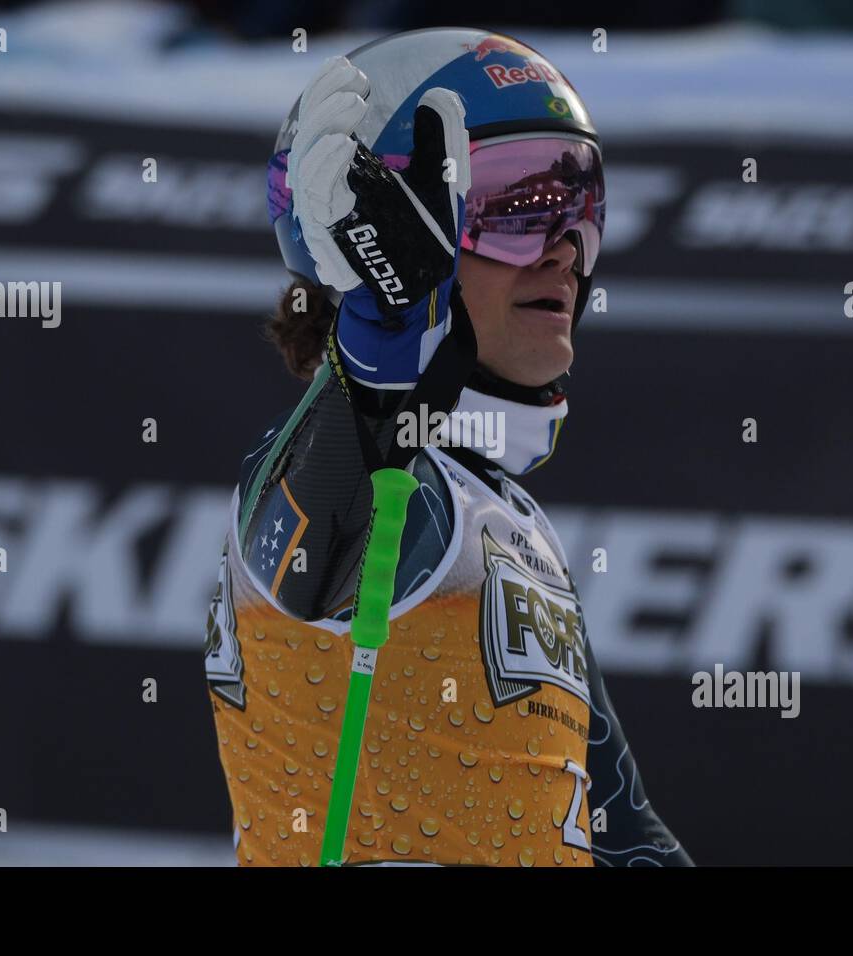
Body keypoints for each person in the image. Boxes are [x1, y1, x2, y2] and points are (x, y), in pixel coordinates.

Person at [204, 26, 692, 867]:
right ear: (370, 243)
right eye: (511, 210)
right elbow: (314, 558)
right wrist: (374, 364)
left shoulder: (511, 518)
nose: (565, 251)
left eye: (580, 209)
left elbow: (622, 834)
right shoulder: (367, 483)